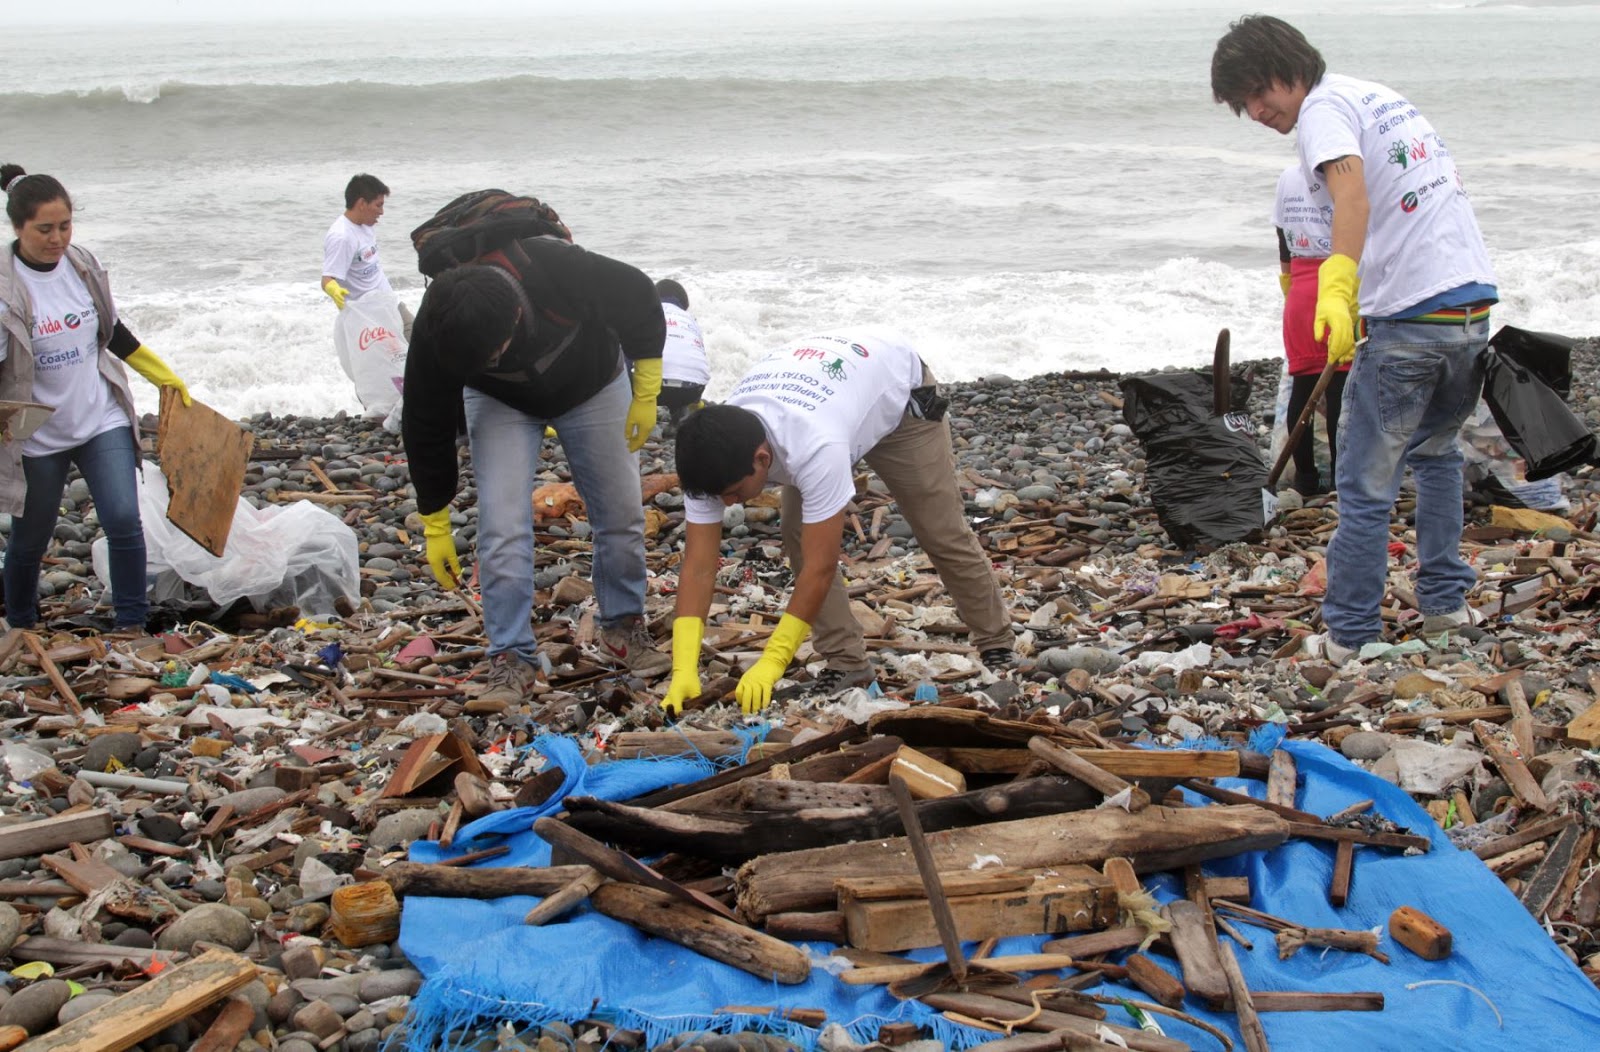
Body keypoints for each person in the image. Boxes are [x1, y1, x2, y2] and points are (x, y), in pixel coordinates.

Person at [1212, 15, 1497, 659]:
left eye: (1259, 93)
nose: (1256, 111)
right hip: (1471, 307)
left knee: (1366, 486)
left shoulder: (1323, 110)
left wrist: (1339, 285)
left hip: (1409, 318)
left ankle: (1350, 634)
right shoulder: (1378, 98)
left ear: (1288, 70)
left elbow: (1352, 194)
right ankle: (1447, 606)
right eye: (1243, 104)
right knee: (1439, 457)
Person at [663, 327, 1014, 715]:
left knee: (939, 529)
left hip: (901, 403)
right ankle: (847, 663)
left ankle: (996, 640)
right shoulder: (710, 454)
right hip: (831, 394)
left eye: (732, 493)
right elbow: (697, 567)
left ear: (763, 459)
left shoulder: (814, 445)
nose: (728, 505)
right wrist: (683, 667)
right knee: (796, 535)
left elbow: (822, 566)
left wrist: (772, 662)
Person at [402, 228, 670, 713]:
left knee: (621, 513)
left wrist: (647, 387)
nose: (492, 361)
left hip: (593, 381)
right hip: (502, 401)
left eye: (493, 354)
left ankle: (623, 626)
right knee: (502, 527)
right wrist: (434, 515)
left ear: (515, 317)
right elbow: (424, 420)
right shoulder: (438, 328)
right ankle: (511, 656)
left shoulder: (555, 267)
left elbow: (638, 293)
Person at [0, 165, 191, 633]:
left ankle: (131, 624)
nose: (57, 238)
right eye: (44, 229)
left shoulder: (81, 265)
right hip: (39, 433)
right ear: (18, 227)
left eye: (65, 226)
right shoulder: (6, 290)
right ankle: (22, 627)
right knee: (30, 538)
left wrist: (163, 376)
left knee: (125, 518)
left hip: (98, 415)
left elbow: (111, 332)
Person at [1273, 162, 1346, 495]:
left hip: (1300, 288)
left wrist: (1290, 283)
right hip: (1340, 284)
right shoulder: (1344, 172)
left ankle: (1305, 478)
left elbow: (1282, 239)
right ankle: (1340, 476)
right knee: (1339, 390)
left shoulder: (1287, 178)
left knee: (1302, 387)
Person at [321, 174, 412, 339]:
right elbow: (327, 279)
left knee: (424, 344)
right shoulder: (342, 236)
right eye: (378, 205)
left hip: (390, 304)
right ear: (362, 203)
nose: (382, 212)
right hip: (370, 322)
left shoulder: (365, 225)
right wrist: (333, 290)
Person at [655, 279, 709, 429]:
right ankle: (679, 416)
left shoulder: (645, 312)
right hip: (692, 390)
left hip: (653, 390)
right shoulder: (690, 320)